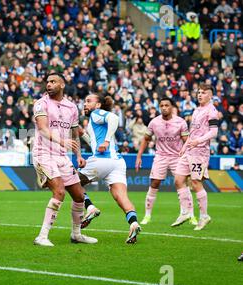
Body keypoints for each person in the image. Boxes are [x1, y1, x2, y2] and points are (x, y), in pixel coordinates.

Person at [32, 72, 97, 247]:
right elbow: (44, 129)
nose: (49, 84)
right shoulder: (41, 104)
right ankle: (42, 236)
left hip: (62, 156)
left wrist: (78, 155)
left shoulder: (71, 107)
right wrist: (62, 141)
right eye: (48, 82)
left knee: (79, 196)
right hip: (43, 153)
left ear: (62, 85)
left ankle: (76, 234)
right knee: (59, 191)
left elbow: (74, 133)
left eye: (53, 81)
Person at [78, 93, 141, 244]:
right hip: (117, 162)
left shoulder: (96, 114)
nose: (84, 104)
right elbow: (94, 140)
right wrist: (83, 134)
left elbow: (114, 118)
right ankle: (133, 223)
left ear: (98, 105)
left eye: (88, 101)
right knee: (121, 197)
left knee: (72, 182)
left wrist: (106, 142)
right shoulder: (94, 122)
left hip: (102, 160)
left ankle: (90, 207)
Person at [135, 97, 197, 225]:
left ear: (172, 107)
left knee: (182, 184)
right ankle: (147, 215)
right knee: (155, 183)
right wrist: (139, 156)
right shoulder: (154, 122)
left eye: (166, 105)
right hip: (160, 156)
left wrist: (192, 155)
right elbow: (146, 139)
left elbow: (186, 140)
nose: (164, 107)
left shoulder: (180, 122)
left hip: (177, 157)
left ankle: (190, 215)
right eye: (161, 105)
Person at [172, 83, 218, 230]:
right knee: (178, 179)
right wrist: (184, 146)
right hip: (189, 150)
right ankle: (185, 212)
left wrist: (198, 141)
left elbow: (214, 132)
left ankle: (204, 216)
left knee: (196, 183)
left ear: (210, 95)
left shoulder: (212, 111)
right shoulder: (197, 109)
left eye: (204, 92)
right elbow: (192, 131)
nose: (200, 95)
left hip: (200, 152)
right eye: (198, 92)